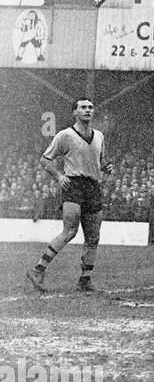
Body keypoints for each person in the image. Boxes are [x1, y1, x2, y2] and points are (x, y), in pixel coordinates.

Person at [26, 98, 113, 293]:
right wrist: (58, 175)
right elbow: (45, 159)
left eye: (90, 107)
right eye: (83, 107)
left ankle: (85, 280)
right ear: (74, 112)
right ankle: (38, 269)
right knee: (70, 231)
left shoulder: (99, 136)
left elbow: (102, 159)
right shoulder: (65, 135)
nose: (88, 110)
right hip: (74, 185)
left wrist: (107, 166)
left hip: (93, 186)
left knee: (93, 237)